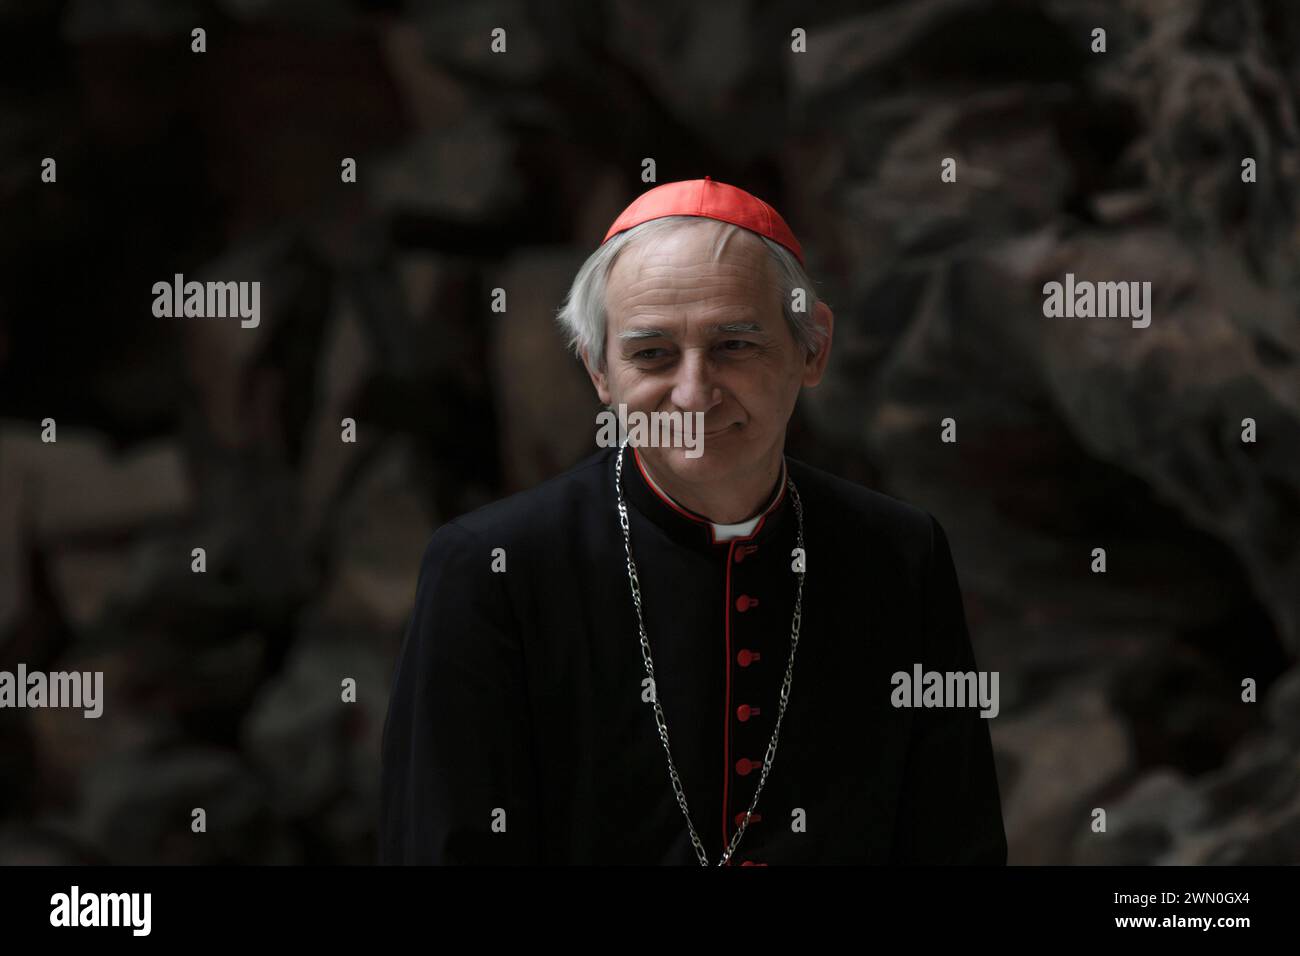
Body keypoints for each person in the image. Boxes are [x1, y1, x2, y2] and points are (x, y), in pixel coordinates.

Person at [379, 177, 1007, 865]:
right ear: (599, 371)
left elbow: (956, 840)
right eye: (651, 354)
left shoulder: (899, 553)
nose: (693, 393)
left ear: (812, 347)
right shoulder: (492, 568)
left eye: (734, 345)